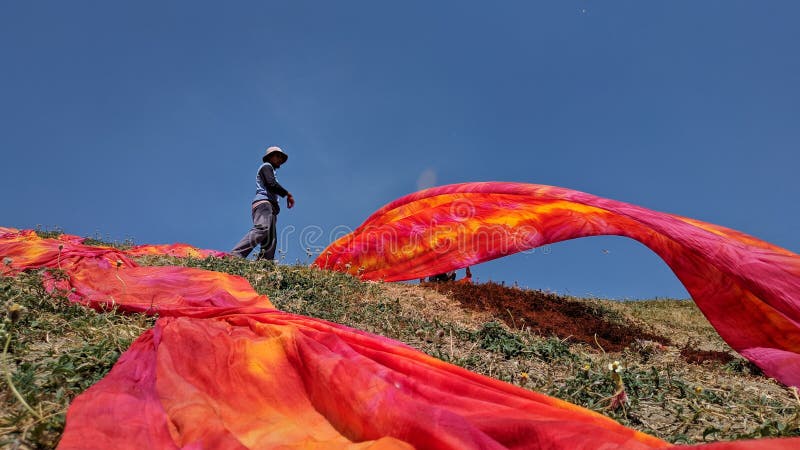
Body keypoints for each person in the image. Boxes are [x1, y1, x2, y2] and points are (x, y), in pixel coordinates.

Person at [231, 146, 295, 260]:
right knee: (263, 228)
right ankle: (236, 254)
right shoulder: (266, 167)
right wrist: (287, 194)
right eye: (277, 156)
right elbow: (271, 184)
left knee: (271, 240)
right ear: (270, 157)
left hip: (271, 208)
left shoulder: (270, 169)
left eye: (281, 157)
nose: (280, 159)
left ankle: (264, 264)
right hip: (264, 204)